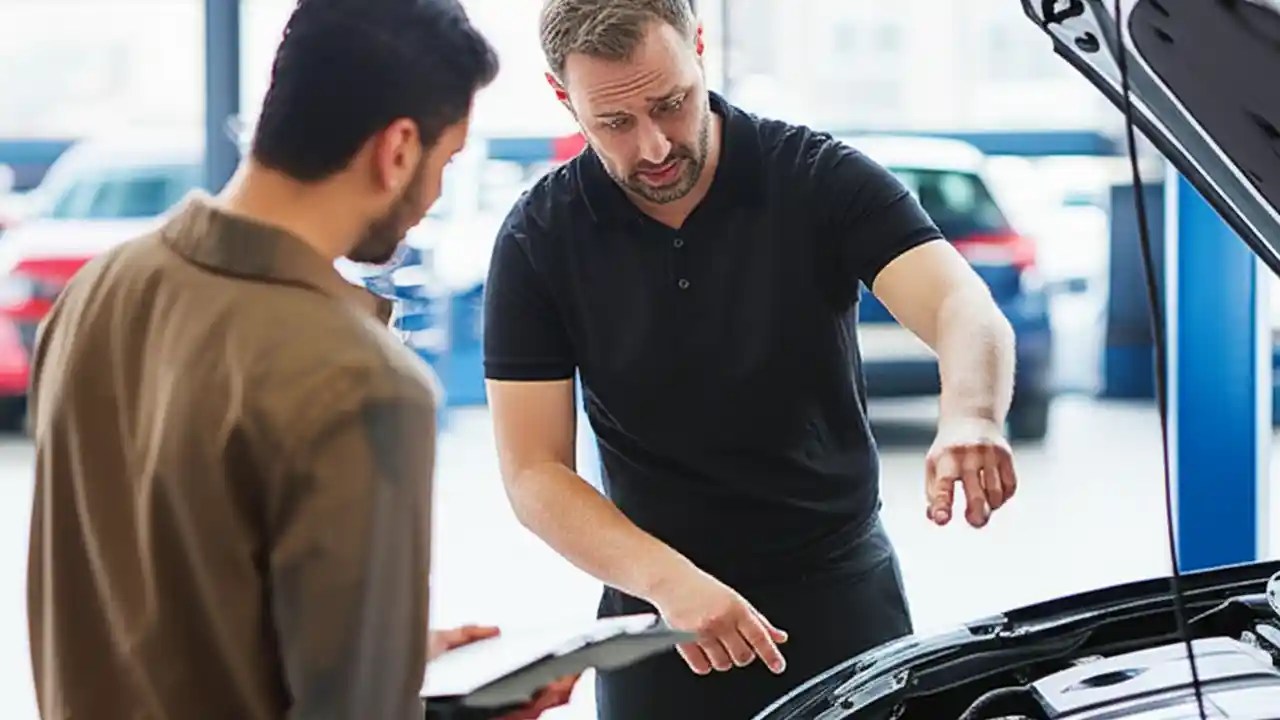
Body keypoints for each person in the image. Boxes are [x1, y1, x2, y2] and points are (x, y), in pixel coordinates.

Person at [25, 1, 575, 719]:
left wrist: (383, 653)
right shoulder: (359, 380)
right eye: (448, 160)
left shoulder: (97, 292)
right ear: (399, 149)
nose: (436, 192)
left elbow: (162, 616)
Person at [482, 1, 1021, 718]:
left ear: (700, 47)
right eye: (614, 122)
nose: (653, 147)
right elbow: (533, 472)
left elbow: (961, 305)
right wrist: (668, 582)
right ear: (563, 98)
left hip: (841, 601)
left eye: (670, 104)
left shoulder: (817, 177)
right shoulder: (537, 239)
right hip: (657, 620)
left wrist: (971, 414)